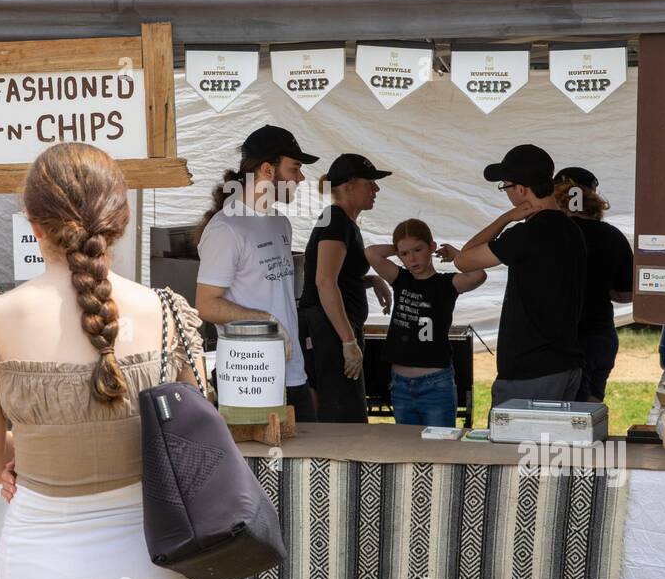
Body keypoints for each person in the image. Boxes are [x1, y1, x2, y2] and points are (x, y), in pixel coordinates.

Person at [0, 142, 210, 579]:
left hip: (43, 569)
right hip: (156, 557)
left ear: (33, 222)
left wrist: (28, 451)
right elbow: (195, 441)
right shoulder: (168, 313)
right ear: (122, 218)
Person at [194, 125, 319, 422]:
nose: (300, 178)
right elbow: (205, 304)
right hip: (249, 379)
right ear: (267, 169)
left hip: (292, 372)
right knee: (258, 467)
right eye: (295, 168)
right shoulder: (226, 228)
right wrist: (268, 322)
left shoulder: (280, 223)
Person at [454, 144, 586, 405]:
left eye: (505, 186)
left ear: (521, 189)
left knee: (512, 445)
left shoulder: (526, 234)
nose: (507, 194)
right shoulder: (573, 229)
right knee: (550, 446)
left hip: (530, 368)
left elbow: (463, 259)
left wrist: (506, 218)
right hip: (567, 362)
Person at [298, 153, 393, 423]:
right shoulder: (336, 220)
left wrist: (371, 280)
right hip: (328, 330)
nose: (376, 189)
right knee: (342, 416)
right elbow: (324, 281)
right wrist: (348, 341)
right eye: (370, 183)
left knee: (343, 412)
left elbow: (336, 276)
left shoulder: (342, 221)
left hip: (331, 328)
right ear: (348, 185)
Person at [365, 219, 487, 426]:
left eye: (418, 250)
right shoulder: (400, 278)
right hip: (400, 383)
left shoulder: (446, 284)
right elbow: (371, 253)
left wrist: (456, 255)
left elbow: (478, 274)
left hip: (436, 383)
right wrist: (398, 249)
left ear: (431, 247)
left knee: (440, 448)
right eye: (405, 254)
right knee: (407, 448)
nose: (412, 259)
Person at [553, 167, 634, 402]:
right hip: (601, 335)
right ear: (595, 198)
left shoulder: (552, 234)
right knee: (591, 410)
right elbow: (625, 294)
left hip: (568, 340)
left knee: (572, 418)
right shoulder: (612, 235)